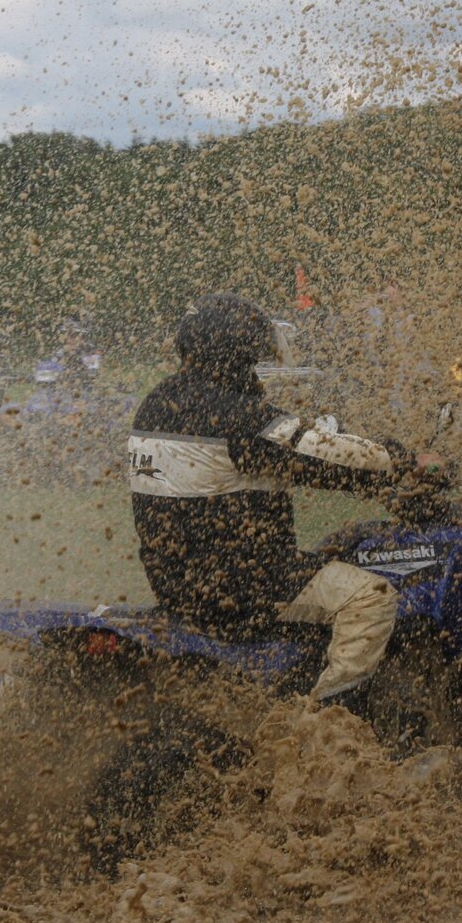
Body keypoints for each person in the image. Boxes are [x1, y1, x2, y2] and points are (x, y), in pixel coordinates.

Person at [129, 291, 434, 703]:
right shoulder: (234, 415)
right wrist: (405, 461)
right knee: (371, 598)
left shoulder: (156, 404)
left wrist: (373, 488)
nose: (255, 372)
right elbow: (319, 454)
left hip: (179, 583)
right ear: (234, 356)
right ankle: (328, 723)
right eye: (252, 360)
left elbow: (266, 466)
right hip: (243, 586)